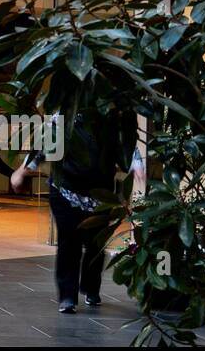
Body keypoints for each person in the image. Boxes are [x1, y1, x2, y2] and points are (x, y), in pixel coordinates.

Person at [10, 111, 140, 313]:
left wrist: (137, 166)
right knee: (69, 242)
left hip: (100, 194)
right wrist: (22, 171)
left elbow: (127, 146)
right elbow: (45, 144)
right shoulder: (64, 115)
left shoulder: (112, 116)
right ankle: (67, 296)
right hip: (66, 190)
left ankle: (90, 287)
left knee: (95, 244)